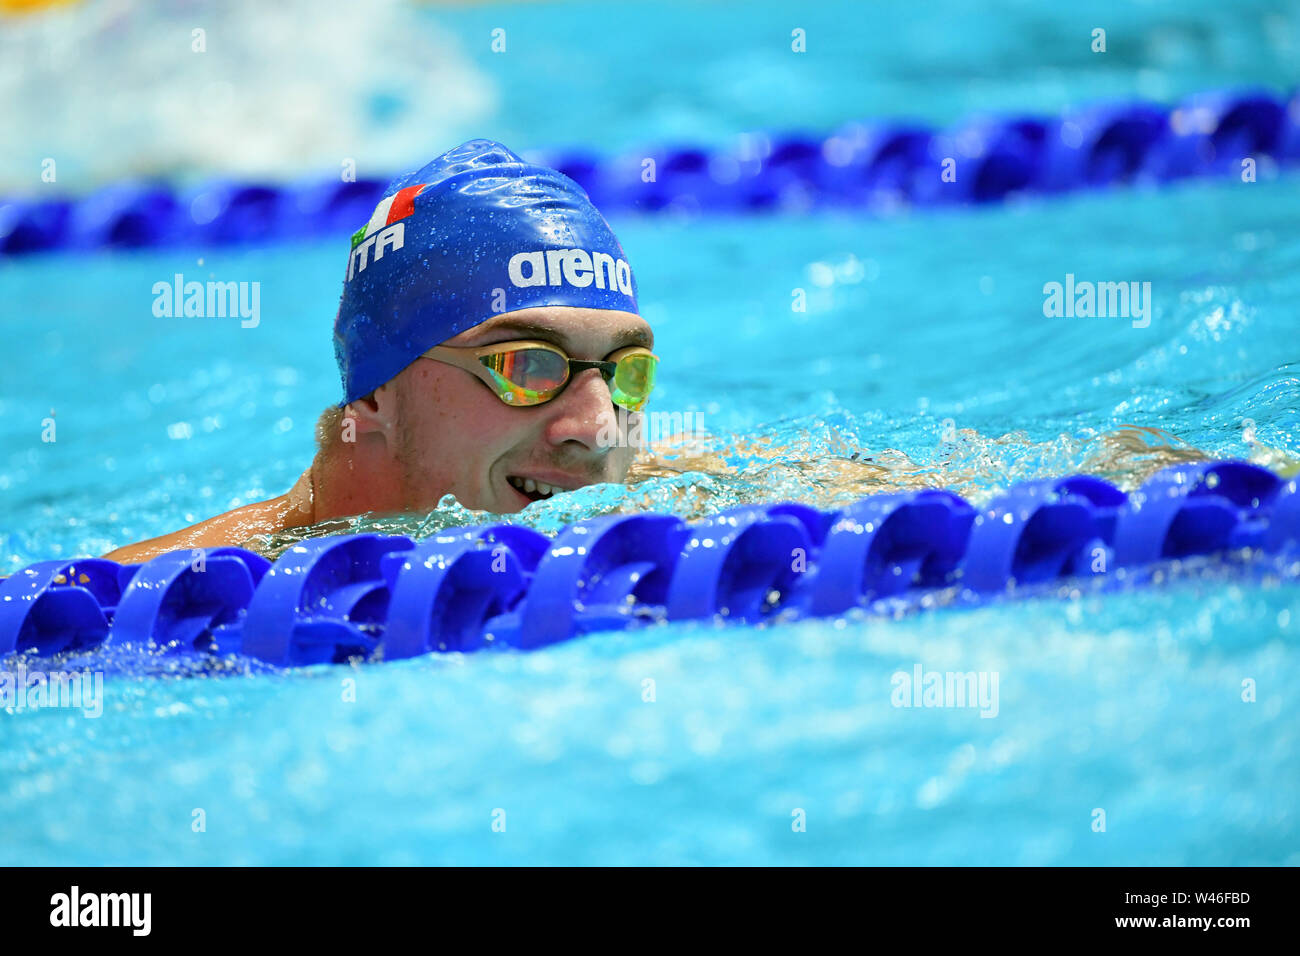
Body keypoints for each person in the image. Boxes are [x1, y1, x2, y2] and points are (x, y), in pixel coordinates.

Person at [102, 139, 657, 565]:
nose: (599, 426)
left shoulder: (653, 492)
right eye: (528, 363)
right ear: (375, 392)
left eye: (623, 373)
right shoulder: (173, 590)